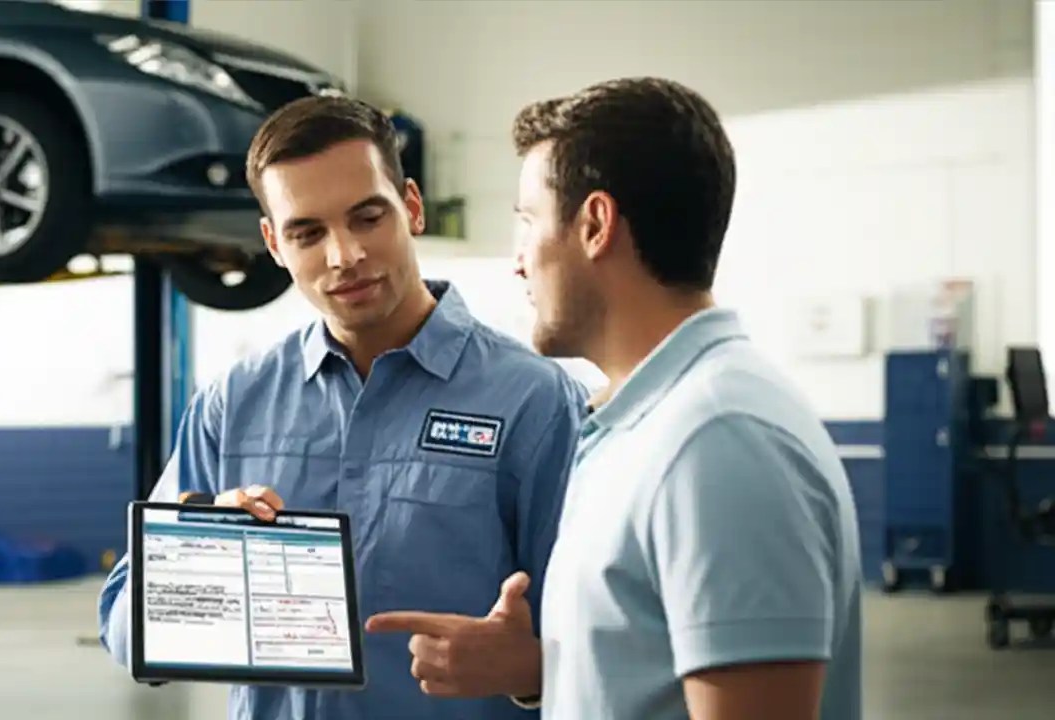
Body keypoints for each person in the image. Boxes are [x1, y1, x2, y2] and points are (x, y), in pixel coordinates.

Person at [366, 77, 864, 720]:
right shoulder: (646, 424)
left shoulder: (718, 442)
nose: (517, 260)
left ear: (595, 224)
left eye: (527, 222)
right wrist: (541, 669)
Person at [96, 95, 587, 720]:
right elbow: (122, 622)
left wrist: (532, 669)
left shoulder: (534, 403)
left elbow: (603, 648)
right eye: (308, 232)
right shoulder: (233, 404)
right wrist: (204, 560)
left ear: (411, 207)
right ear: (274, 244)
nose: (343, 255)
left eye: (367, 218)